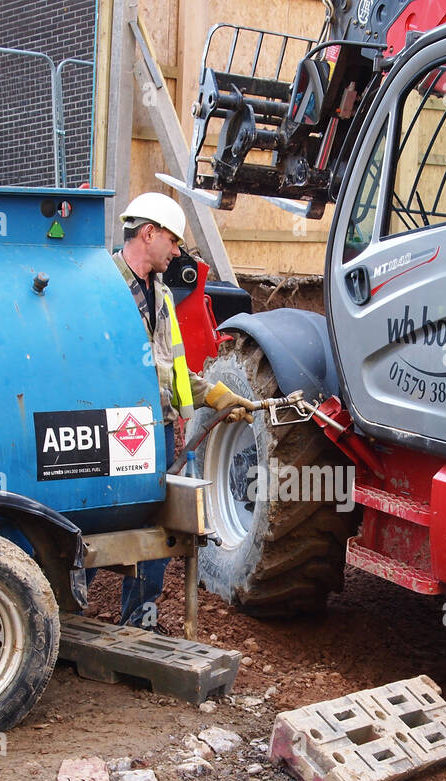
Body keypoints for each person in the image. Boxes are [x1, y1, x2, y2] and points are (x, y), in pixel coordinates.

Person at [98, 191, 252, 631]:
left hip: (160, 427)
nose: (179, 251)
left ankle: (140, 618)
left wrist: (214, 395)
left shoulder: (162, 294)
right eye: (173, 239)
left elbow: (171, 367)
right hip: (114, 425)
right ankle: (72, 614)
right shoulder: (104, 283)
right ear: (149, 233)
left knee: (161, 523)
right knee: (101, 518)